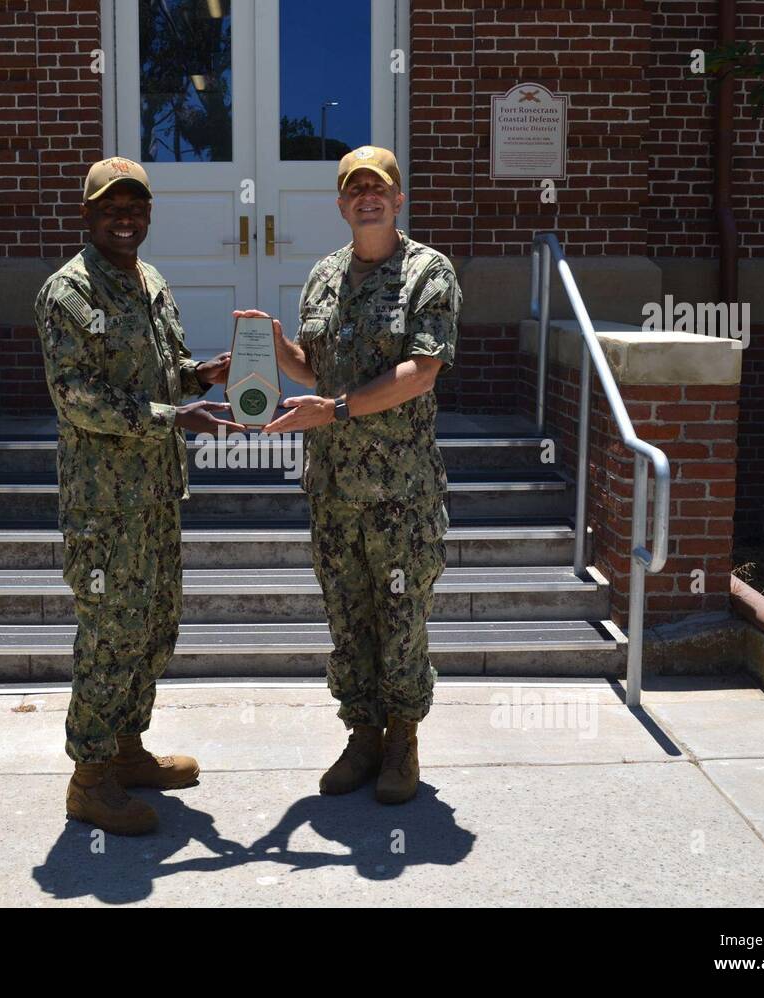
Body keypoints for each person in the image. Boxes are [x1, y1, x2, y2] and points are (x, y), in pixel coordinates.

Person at [34, 156, 242, 835]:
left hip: (155, 494)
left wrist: (200, 376)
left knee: (154, 630)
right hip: (104, 504)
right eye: (111, 207)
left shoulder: (149, 281)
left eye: (136, 206)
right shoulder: (68, 293)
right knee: (109, 635)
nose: (125, 217)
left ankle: (126, 751)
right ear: (88, 215)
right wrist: (169, 417)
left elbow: (160, 375)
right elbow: (78, 399)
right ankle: (88, 779)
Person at [248, 144, 460, 804]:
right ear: (341, 203)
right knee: (348, 619)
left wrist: (334, 408)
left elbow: (420, 371)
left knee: (401, 617)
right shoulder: (322, 276)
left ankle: (403, 741)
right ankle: (363, 733)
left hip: (400, 492)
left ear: (398, 199)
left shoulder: (429, 273)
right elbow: (321, 374)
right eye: (354, 188)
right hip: (333, 490)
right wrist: (276, 351)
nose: (367, 196)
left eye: (380, 187)